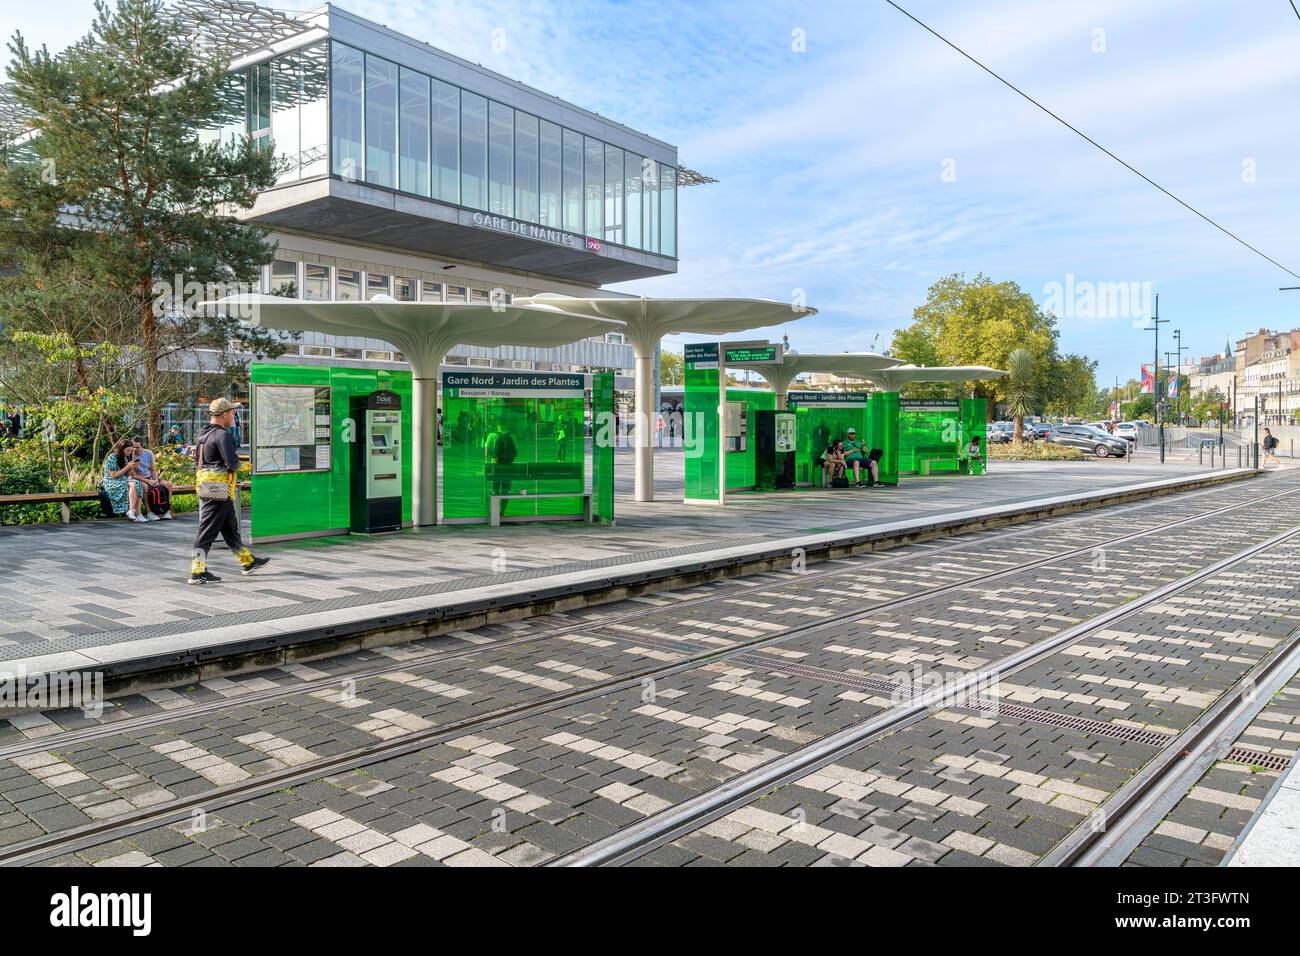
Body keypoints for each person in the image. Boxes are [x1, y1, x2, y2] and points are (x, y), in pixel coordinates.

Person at [189, 398, 268, 584]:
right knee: (205, 533)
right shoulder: (222, 435)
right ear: (224, 414)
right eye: (233, 412)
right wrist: (252, 466)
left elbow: (199, 463)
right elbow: (232, 463)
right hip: (219, 491)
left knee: (230, 530)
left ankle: (248, 562)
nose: (234, 415)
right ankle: (197, 572)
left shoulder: (203, 434)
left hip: (212, 489)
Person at [103, 437, 148, 523]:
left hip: (122, 480)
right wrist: (128, 466)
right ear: (121, 449)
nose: (130, 453)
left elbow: (127, 474)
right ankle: (132, 511)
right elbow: (113, 475)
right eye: (128, 450)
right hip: (111, 481)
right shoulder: (112, 457)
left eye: (131, 451)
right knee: (134, 484)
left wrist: (132, 467)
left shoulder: (125, 458)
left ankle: (138, 514)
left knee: (138, 484)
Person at [131, 437, 175, 520]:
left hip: (150, 477)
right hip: (138, 479)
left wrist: (155, 481)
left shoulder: (148, 453)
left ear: (142, 446)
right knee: (145, 487)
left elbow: (153, 470)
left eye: (137, 447)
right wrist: (148, 481)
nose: (134, 449)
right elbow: (133, 475)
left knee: (167, 485)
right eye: (133, 447)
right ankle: (149, 512)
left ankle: (166, 510)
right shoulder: (130, 455)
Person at [484, 419, 519, 516]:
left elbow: (486, 452)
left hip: (496, 466)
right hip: (508, 467)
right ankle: (502, 511)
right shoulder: (512, 436)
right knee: (506, 489)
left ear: (497, 426)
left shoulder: (492, 435)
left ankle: (494, 512)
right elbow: (516, 451)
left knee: (495, 489)